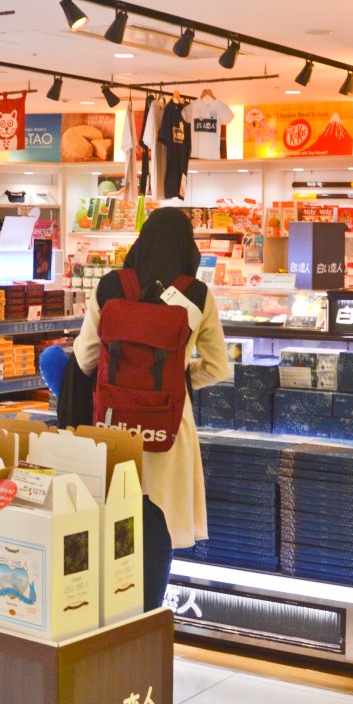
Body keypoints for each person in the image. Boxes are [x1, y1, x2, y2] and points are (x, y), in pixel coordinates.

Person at [72, 207, 229, 610]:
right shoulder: (196, 295)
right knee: (158, 525)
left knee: (116, 516)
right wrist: (180, 374)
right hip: (169, 426)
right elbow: (218, 366)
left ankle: (115, 610)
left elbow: (86, 357)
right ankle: (150, 614)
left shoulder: (109, 287)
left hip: (112, 425)